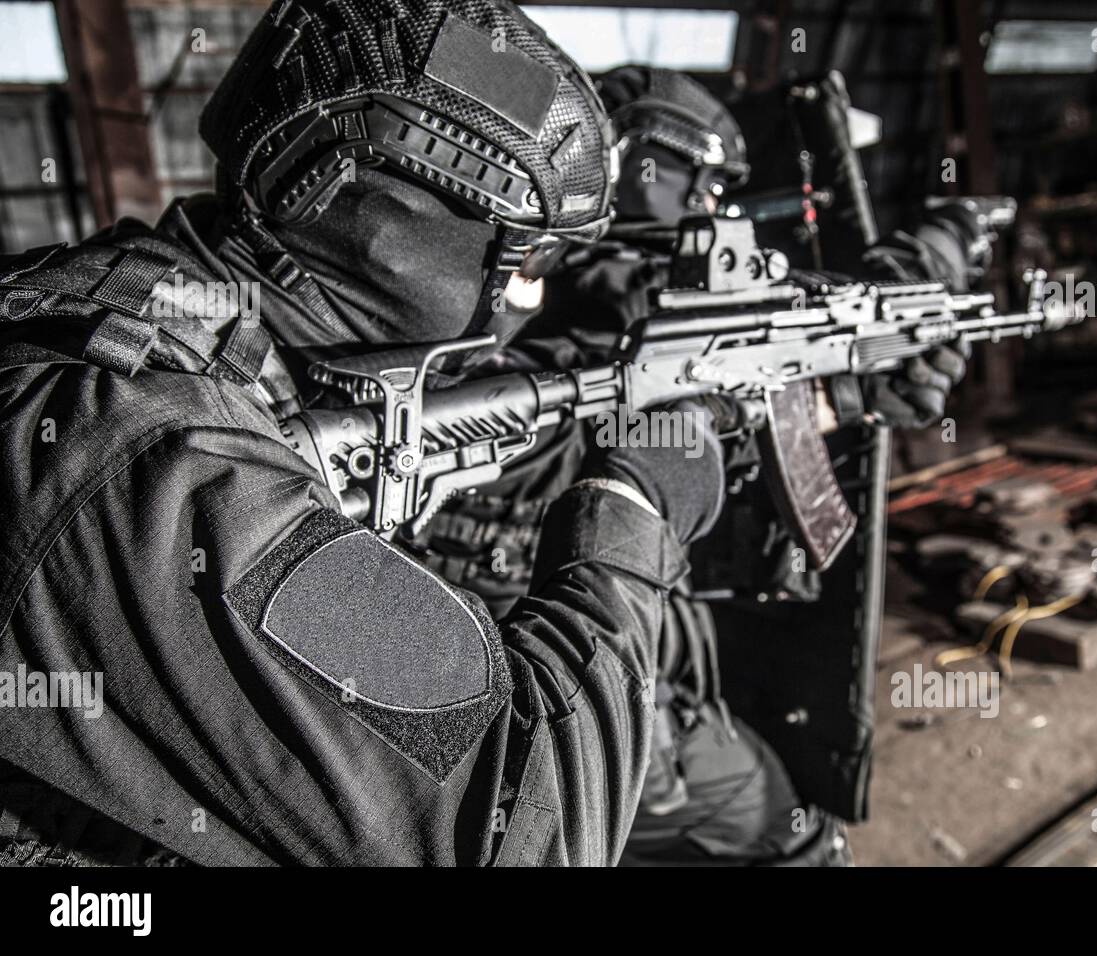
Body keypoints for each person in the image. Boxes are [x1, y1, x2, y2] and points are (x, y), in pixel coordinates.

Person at [0, 0, 724, 866]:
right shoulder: (146, 450)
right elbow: (525, 829)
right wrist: (632, 506)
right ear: (385, 232)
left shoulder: (155, 302)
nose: (534, 299)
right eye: (527, 261)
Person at [410, 66, 980, 865]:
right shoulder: (569, 294)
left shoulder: (538, 272)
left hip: (579, 622)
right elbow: (580, 439)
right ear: (636, 158)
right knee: (794, 839)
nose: (714, 205)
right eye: (701, 180)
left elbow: (712, 421)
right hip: (535, 650)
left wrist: (846, 394)